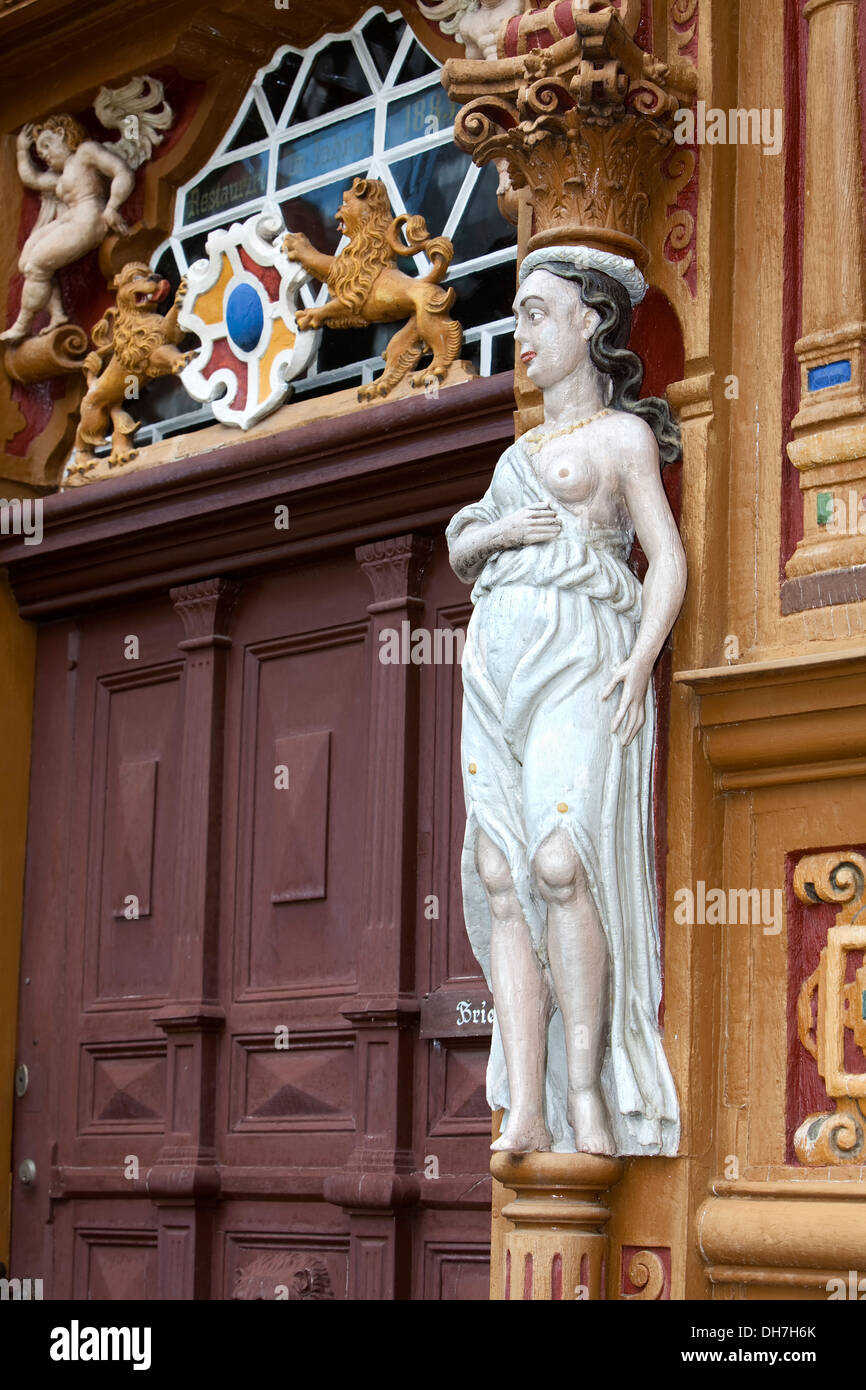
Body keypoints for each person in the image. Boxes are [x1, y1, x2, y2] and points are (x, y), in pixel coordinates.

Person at [446, 245, 686, 1156]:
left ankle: (588, 1089)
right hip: (499, 662)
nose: (524, 335)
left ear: (590, 321)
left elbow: (665, 557)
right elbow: (465, 550)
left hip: (582, 650)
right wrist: (502, 529)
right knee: (504, 874)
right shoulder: (517, 456)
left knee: (559, 859)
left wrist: (641, 659)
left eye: (540, 312)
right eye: (519, 317)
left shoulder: (621, 438)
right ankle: (532, 1109)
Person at [1, 116, 134, 343]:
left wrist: (112, 207)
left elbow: (122, 171)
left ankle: (22, 325)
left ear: (62, 135)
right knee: (26, 263)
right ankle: (58, 314)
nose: (43, 153)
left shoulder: (85, 153)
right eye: (40, 151)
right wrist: (22, 151)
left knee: (37, 264)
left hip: (89, 217)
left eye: (46, 145)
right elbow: (32, 178)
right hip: (71, 218)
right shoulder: (62, 177)